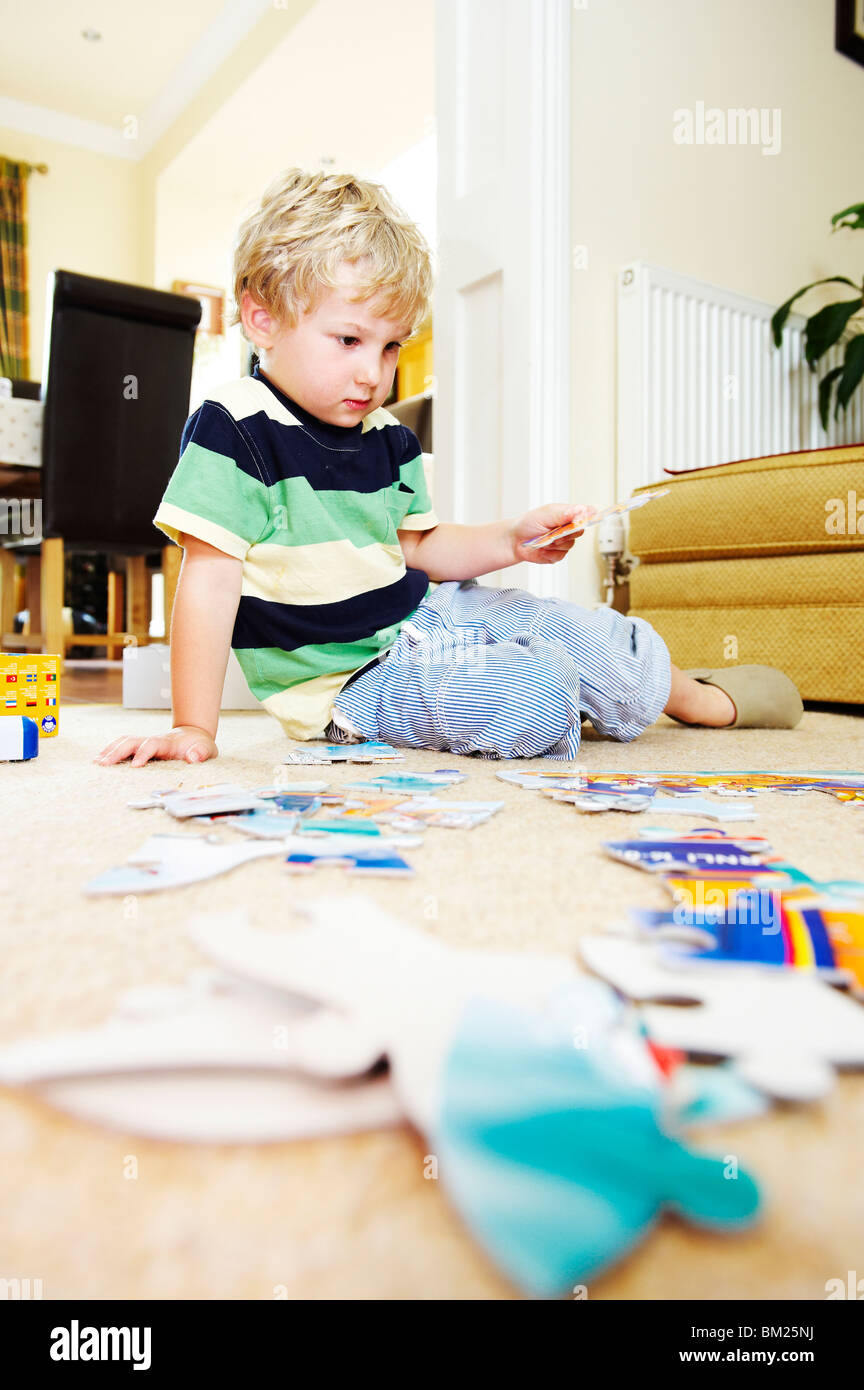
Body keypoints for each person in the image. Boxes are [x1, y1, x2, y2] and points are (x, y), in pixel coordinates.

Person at [94, 169, 802, 769]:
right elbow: (210, 580)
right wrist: (194, 726)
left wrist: (511, 539)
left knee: (571, 627)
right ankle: (574, 695)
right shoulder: (235, 428)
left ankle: (694, 695)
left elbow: (420, 549)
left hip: (431, 612)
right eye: (348, 339)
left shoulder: (386, 436)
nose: (374, 373)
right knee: (536, 683)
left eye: (392, 347)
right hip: (353, 685)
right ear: (263, 318)